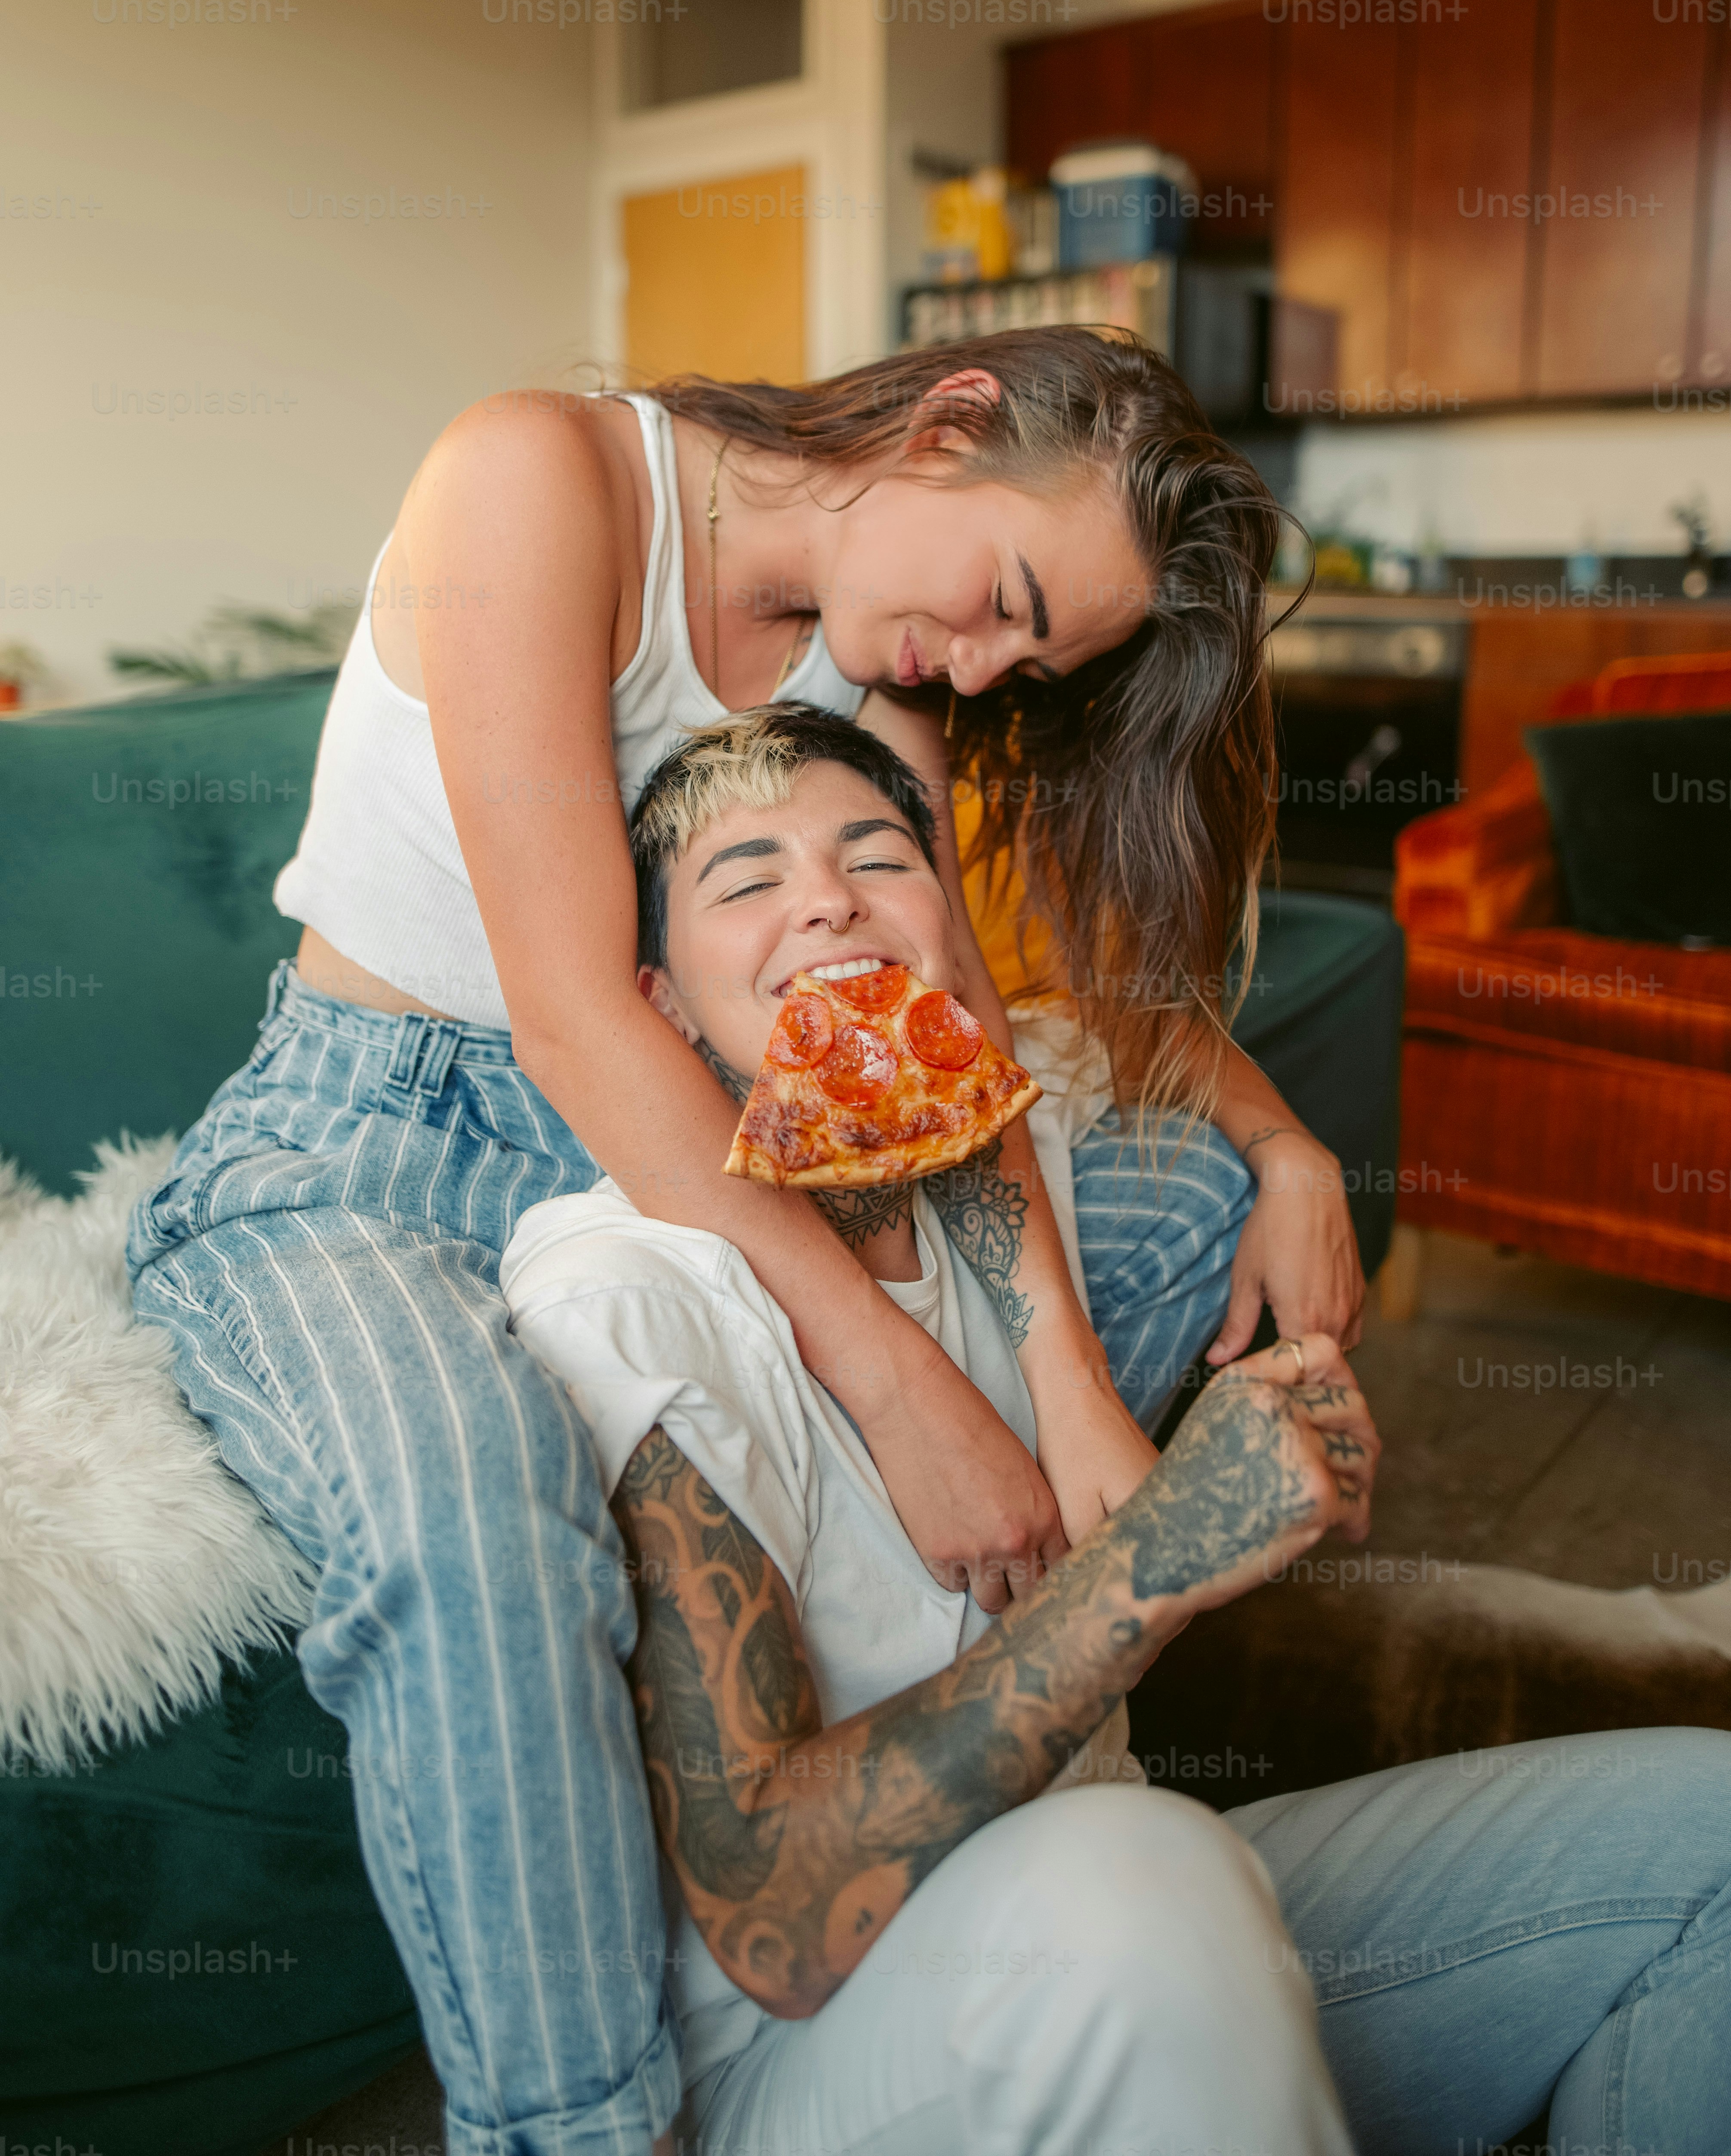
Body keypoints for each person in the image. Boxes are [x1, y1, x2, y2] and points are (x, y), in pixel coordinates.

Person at [128, 332, 1370, 2150]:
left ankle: (944, 1862)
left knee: (1163, 1204)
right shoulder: (540, 479)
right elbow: (574, 1015)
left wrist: (1069, 1376)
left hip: (701, 1143)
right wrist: (899, 1380)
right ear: (947, 428)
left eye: (1038, 658)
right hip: (374, 1154)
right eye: (1008, 597)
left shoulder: (884, 670)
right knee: (473, 1516)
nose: (987, 664)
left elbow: (933, 1031)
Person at [504, 704, 1731, 2156]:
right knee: (1135, 1872)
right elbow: (770, 1907)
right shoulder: (627, 1299)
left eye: (876, 857)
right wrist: (1158, 1559)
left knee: (1712, 1826)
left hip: (1152, 1914)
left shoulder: (998, 1192)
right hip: (826, 2052)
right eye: (748, 878)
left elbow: (1134, 1032)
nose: (826, 896)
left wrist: (1290, 1161)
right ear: (657, 1006)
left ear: (951, 950)